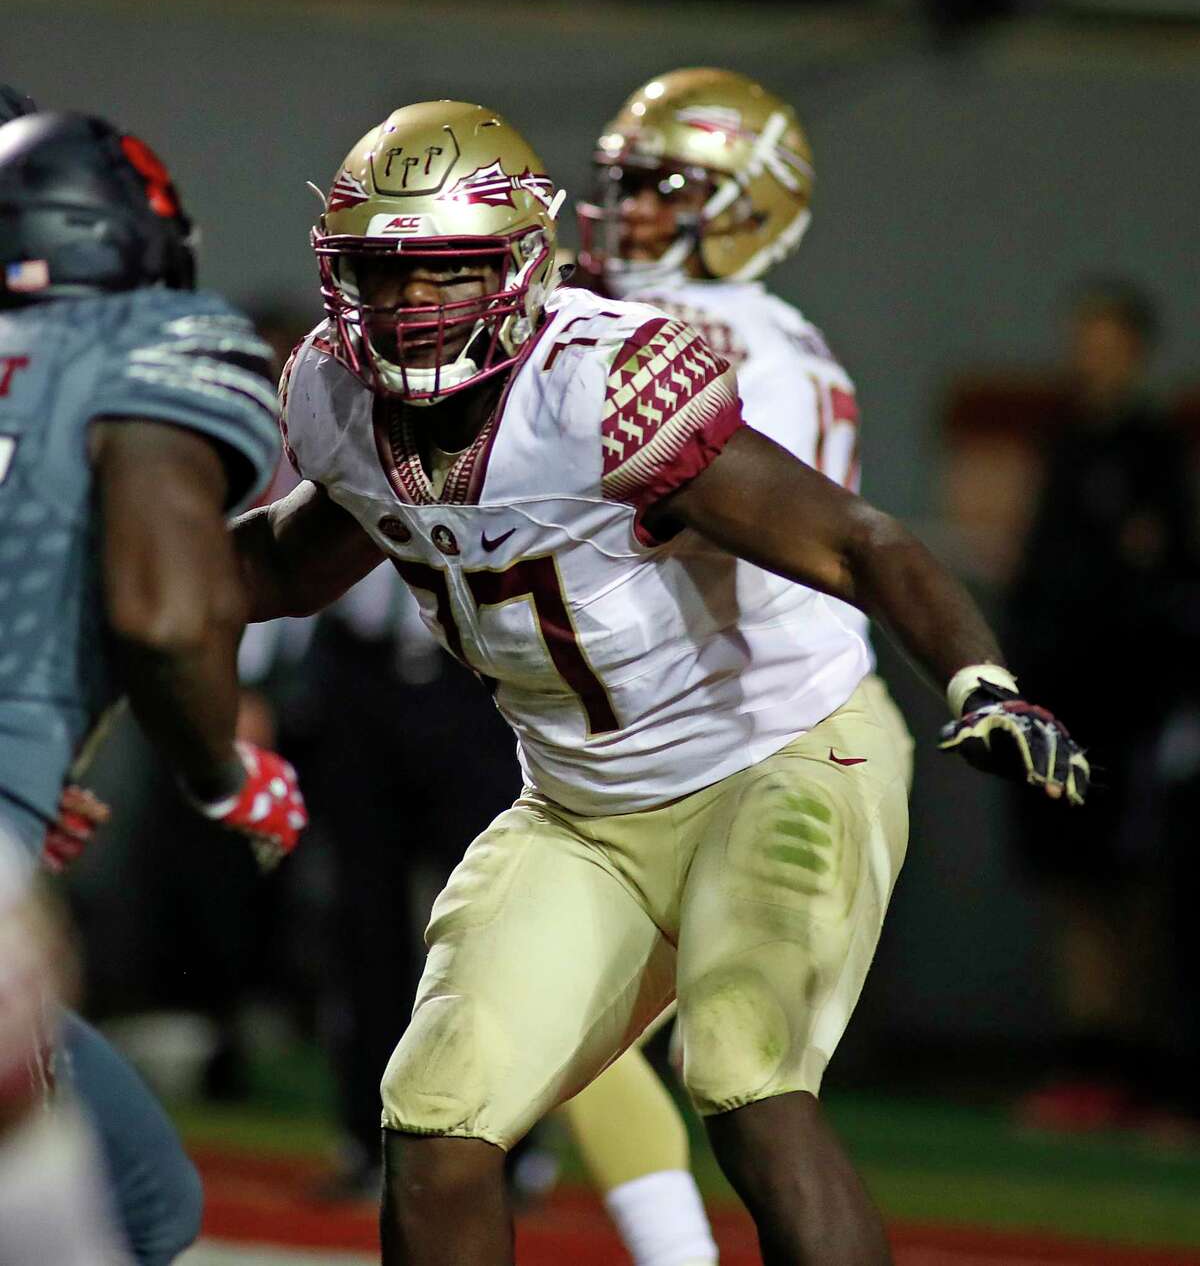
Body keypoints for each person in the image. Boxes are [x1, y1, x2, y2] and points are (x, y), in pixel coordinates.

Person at [233, 100, 1087, 1266]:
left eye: (444, 271)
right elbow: (289, 560)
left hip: (773, 754)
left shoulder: (600, 381)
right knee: (436, 1112)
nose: (407, 305)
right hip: (580, 804)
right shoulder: (337, 394)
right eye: (380, 274)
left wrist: (980, 677)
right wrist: (119, 584)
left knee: (745, 1071)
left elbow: (857, 539)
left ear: (521, 265)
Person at [564, 67, 919, 1265]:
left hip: (763, 726)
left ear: (752, 206)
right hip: (671, 722)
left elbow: (696, 523)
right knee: (560, 1019)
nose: (634, 211)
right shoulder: (726, 333)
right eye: (627, 184)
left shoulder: (726, 342)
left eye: (667, 187)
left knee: (740, 1070)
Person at [0, 109, 308, 1263]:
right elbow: (163, 612)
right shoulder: (147, 338)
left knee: (137, 1184)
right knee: (120, 1204)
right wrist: (223, 769)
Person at [1005, 279, 1198, 1129]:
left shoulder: (1155, 449)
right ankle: (1088, 1057)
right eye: (1081, 333)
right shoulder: (1064, 445)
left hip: (1135, 705)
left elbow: (1165, 573)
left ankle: (1146, 1065)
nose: (1089, 350)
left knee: (1137, 884)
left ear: (1135, 347)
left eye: (1105, 335)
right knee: (1072, 883)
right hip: (1059, 700)